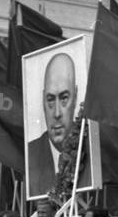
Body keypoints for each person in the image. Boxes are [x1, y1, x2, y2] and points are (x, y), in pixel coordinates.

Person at [25, 52, 91, 198]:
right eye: (50, 99)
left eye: (64, 98)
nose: (56, 113)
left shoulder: (90, 148)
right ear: (43, 100)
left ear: (75, 97)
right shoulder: (31, 154)